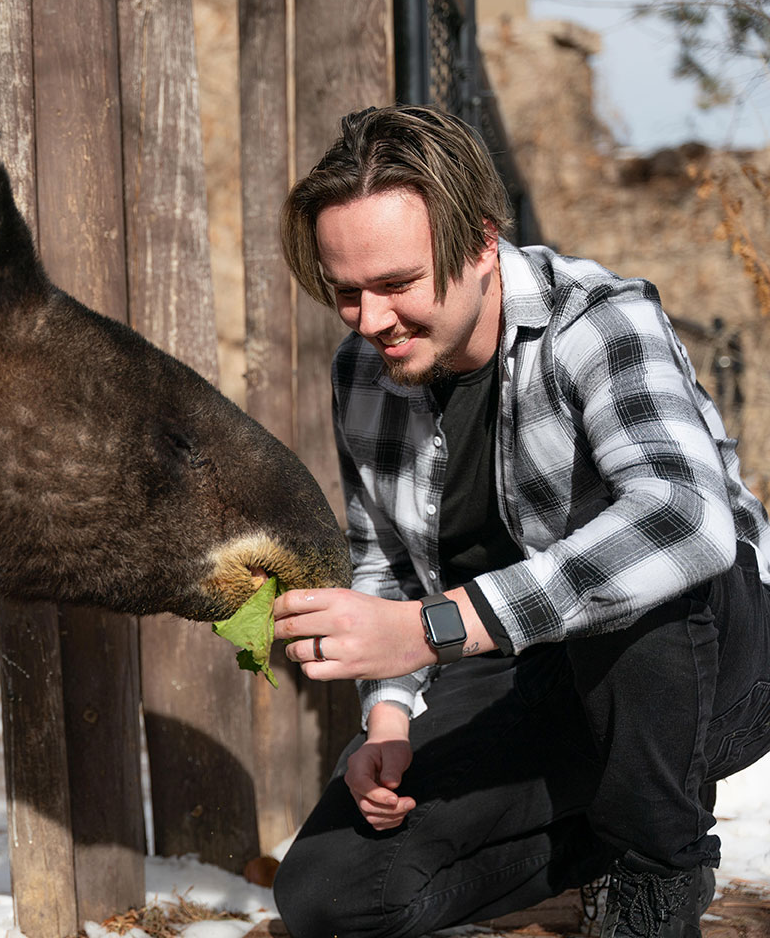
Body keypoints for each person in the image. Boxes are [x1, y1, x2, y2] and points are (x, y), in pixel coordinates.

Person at [269, 104, 770, 938]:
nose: (371, 319)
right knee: (332, 896)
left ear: (480, 245)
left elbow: (685, 520)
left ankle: (654, 879)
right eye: (346, 291)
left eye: (397, 284)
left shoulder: (599, 320)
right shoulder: (363, 368)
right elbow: (385, 565)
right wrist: (389, 717)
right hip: (522, 670)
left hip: (706, 666)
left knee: (625, 547)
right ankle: (609, 832)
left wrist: (428, 630)